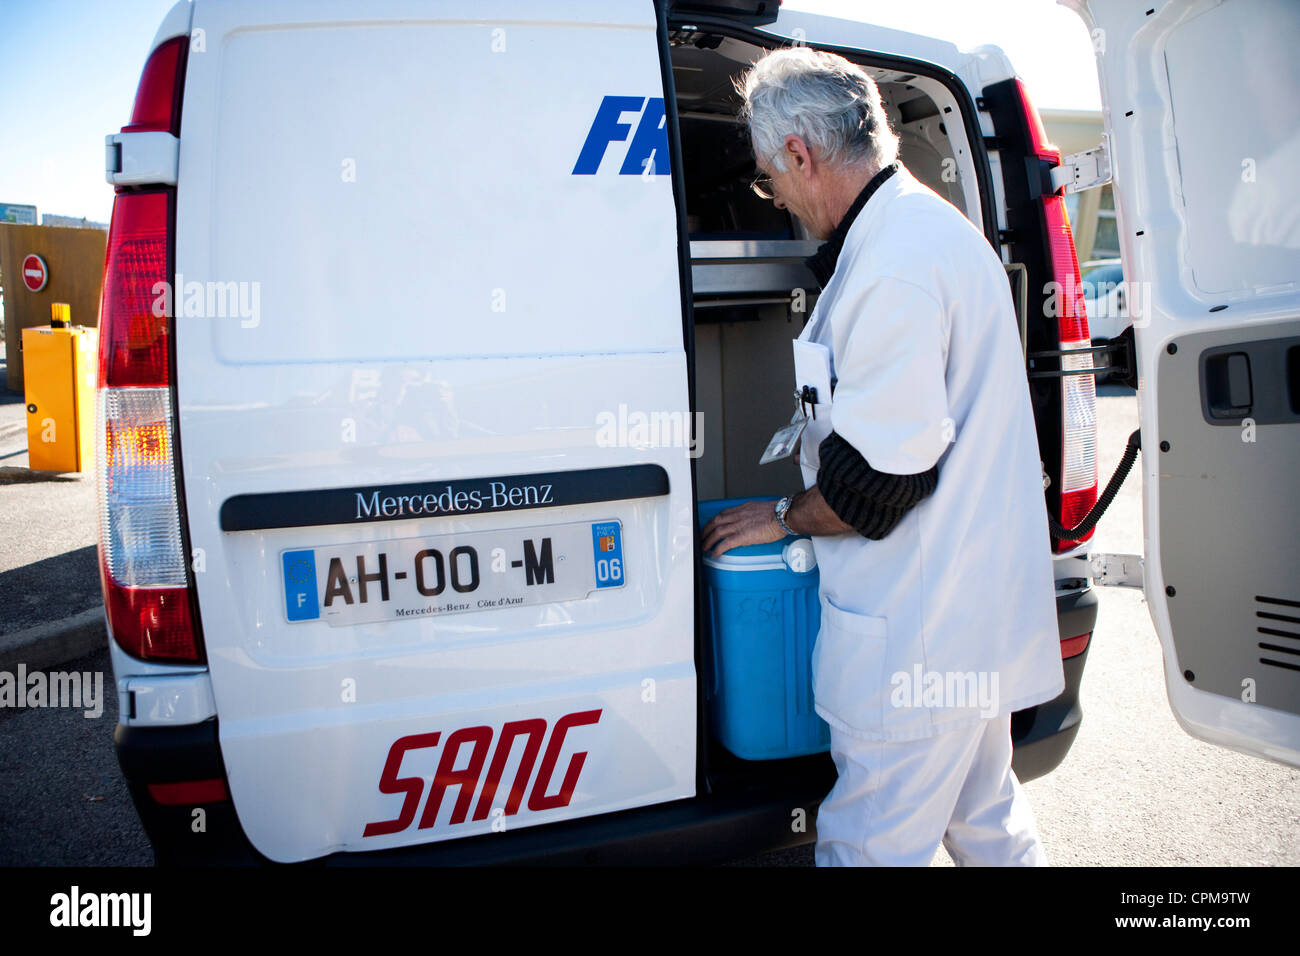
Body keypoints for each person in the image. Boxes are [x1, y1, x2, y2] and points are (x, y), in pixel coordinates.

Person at [700, 47, 1065, 866]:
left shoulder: (895, 264)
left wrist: (781, 518)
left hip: (919, 645)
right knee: (987, 826)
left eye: (770, 177)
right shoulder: (919, 227)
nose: (778, 196)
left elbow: (883, 482)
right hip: (964, 628)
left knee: (867, 847)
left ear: (800, 152)